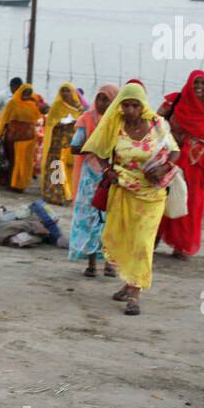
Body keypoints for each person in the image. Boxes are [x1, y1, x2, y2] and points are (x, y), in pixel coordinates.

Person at [82, 82, 178, 316]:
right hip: (123, 190)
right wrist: (107, 172)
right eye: (126, 105)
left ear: (143, 105)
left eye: (136, 105)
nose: (131, 110)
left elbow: (175, 150)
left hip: (152, 193)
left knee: (143, 242)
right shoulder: (114, 125)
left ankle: (135, 293)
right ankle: (128, 282)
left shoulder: (157, 124)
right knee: (124, 238)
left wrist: (165, 166)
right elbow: (99, 150)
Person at [157, 70, 204, 259]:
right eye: (196, 83)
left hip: (196, 167)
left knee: (190, 205)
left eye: (203, 83)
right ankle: (153, 238)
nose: (199, 87)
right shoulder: (175, 102)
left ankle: (181, 245)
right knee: (162, 199)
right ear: (189, 84)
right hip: (171, 161)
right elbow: (154, 121)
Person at [68, 83, 119, 277]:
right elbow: (74, 147)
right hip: (90, 176)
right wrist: (94, 148)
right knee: (90, 218)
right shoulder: (86, 119)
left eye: (106, 99)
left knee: (109, 220)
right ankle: (90, 263)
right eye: (99, 98)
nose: (102, 102)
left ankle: (109, 262)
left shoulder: (118, 122)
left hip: (111, 176)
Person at [0, 82, 43, 192]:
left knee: (25, 163)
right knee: (12, 161)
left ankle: (20, 185)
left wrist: (36, 103)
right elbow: (5, 119)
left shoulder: (33, 104)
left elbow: (39, 116)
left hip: (29, 139)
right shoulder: (13, 103)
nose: (26, 95)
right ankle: (10, 183)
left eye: (29, 93)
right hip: (13, 138)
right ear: (20, 92)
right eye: (24, 93)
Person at [41, 83, 84, 204]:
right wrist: (61, 122)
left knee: (70, 168)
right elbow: (50, 122)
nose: (65, 93)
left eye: (68, 91)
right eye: (63, 91)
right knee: (57, 167)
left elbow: (82, 123)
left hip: (72, 142)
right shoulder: (57, 106)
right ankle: (57, 195)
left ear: (73, 93)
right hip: (58, 142)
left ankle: (69, 193)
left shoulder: (78, 107)